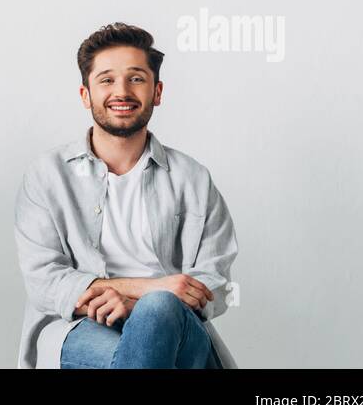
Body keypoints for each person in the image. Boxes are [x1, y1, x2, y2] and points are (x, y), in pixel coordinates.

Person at [15, 23, 238, 369]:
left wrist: (143, 306)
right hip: (78, 325)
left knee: (159, 312)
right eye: (106, 79)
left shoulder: (192, 178)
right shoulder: (46, 175)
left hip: (176, 325)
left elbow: (215, 283)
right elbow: (44, 281)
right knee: (156, 316)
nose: (121, 91)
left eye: (136, 78)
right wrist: (149, 288)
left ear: (157, 91)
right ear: (85, 95)